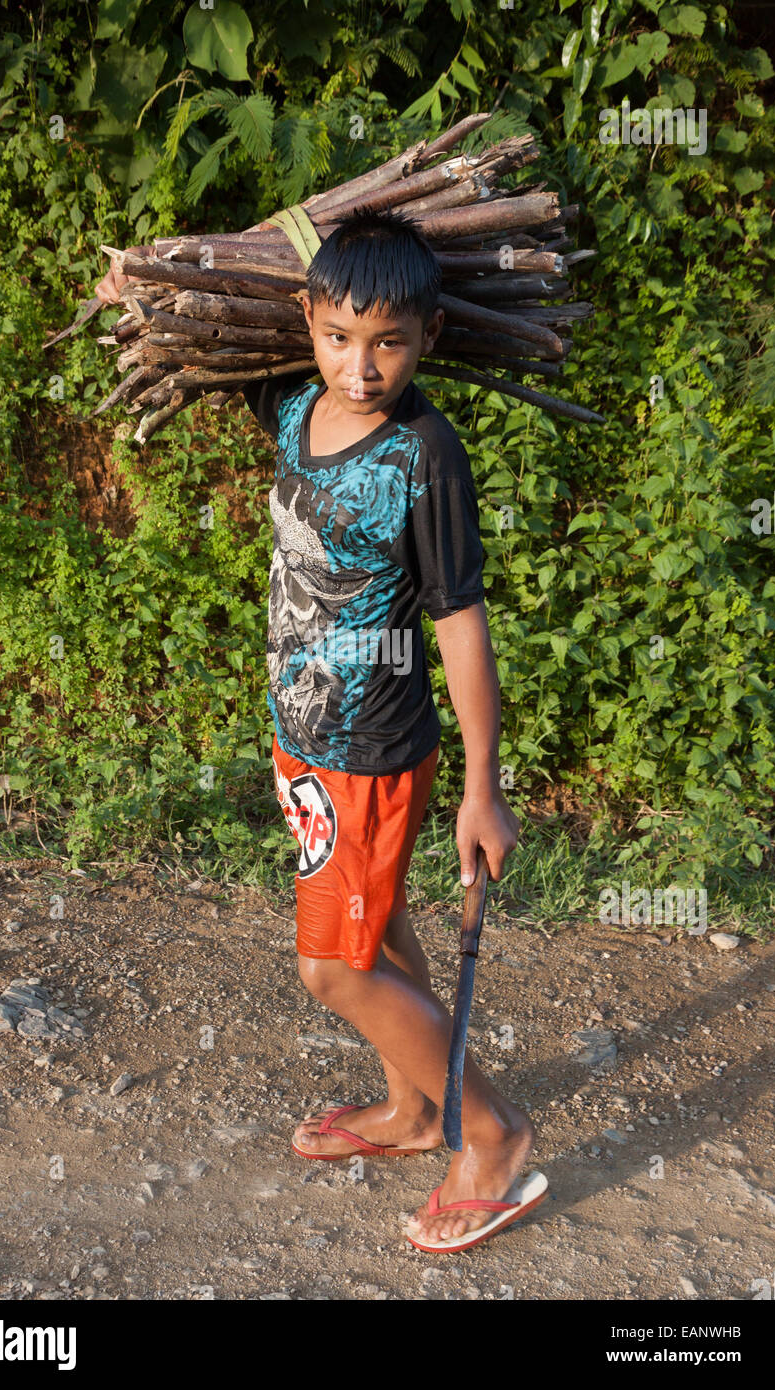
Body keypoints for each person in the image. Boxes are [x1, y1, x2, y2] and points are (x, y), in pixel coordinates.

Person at [95, 208, 547, 1253]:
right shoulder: (295, 406)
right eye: (340, 336)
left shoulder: (422, 455)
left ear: (427, 335)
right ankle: (412, 1107)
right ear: (304, 323)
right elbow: (203, 341)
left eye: (388, 341)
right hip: (299, 734)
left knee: (332, 968)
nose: (361, 366)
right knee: (378, 931)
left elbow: (460, 621)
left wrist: (483, 784)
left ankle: (491, 1130)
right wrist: (148, 291)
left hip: (372, 753)